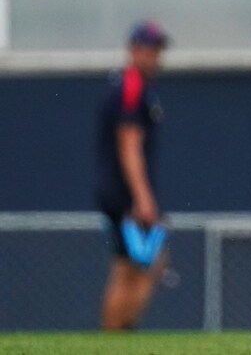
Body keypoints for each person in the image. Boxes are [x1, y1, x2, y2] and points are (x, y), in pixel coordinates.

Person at [94, 20, 171, 331]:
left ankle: (120, 333)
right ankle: (116, 335)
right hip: (123, 194)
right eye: (149, 49)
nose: (155, 56)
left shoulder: (133, 86)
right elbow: (129, 144)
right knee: (136, 268)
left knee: (130, 267)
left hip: (118, 192)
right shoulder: (131, 87)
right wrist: (142, 198)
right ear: (133, 50)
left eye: (157, 50)